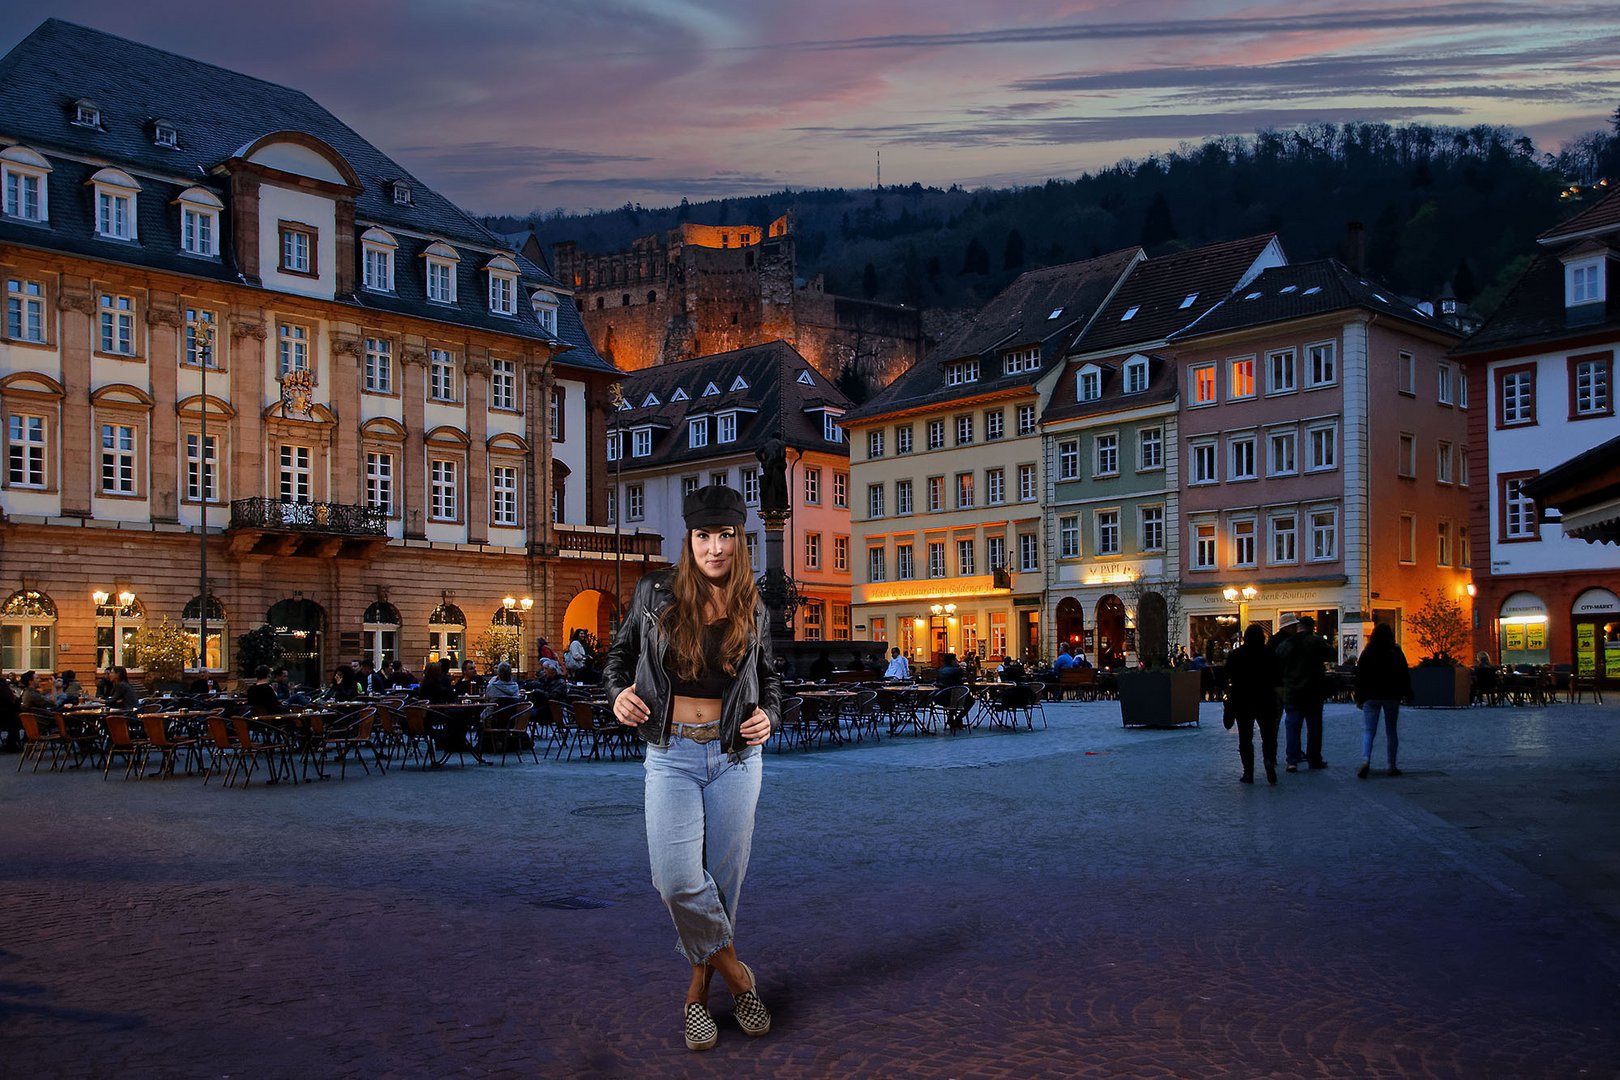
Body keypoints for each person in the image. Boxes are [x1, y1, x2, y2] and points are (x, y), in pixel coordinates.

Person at [604, 484, 779, 1053]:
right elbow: (619, 657)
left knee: (723, 887)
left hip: (735, 756)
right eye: (703, 536)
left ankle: (697, 996)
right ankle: (739, 977)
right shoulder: (655, 592)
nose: (715, 548)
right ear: (689, 539)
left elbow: (771, 681)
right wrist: (616, 695)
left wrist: (770, 717)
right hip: (671, 753)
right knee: (676, 879)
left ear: (739, 539)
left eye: (725, 535)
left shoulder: (755, 601)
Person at [1224, 624, 1282, 784]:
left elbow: (1227, 676)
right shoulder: (1270, 653)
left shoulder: (1236, 654)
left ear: (1245, 638)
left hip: (1243, 700)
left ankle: (1248, 773)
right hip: (1266, 698)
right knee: (1268, 736)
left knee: (1245, 738)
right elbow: (1278, 677)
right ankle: (1269, 760)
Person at [1354, 623, 1412, 778]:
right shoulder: (1395, 651)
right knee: (1391, 731)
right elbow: (1403, 673)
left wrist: (1359, 697)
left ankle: (1366, 760)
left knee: (1369, 730)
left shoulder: (1368, 652)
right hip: (1391, 695)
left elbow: (1360, 676)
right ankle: (1391, 765)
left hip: (1371, 696)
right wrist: (1407, 693)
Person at [1276, 615, 1333, 772]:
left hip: (1292, 691)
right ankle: (1314, 758)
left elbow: (1277, 663)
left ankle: (1292, 760)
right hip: (1313, 690)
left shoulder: (1287, 644)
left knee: (1293, 726)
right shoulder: (1317, 641)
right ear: (1312, 627)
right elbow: (1331, 654)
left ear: (1298, 626)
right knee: (1314, 726)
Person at [0, 676, 20, 751]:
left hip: (4, 714)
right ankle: (11, 743)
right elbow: (11, 700)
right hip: (4, 716)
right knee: (16, 719)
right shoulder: (2, 686)